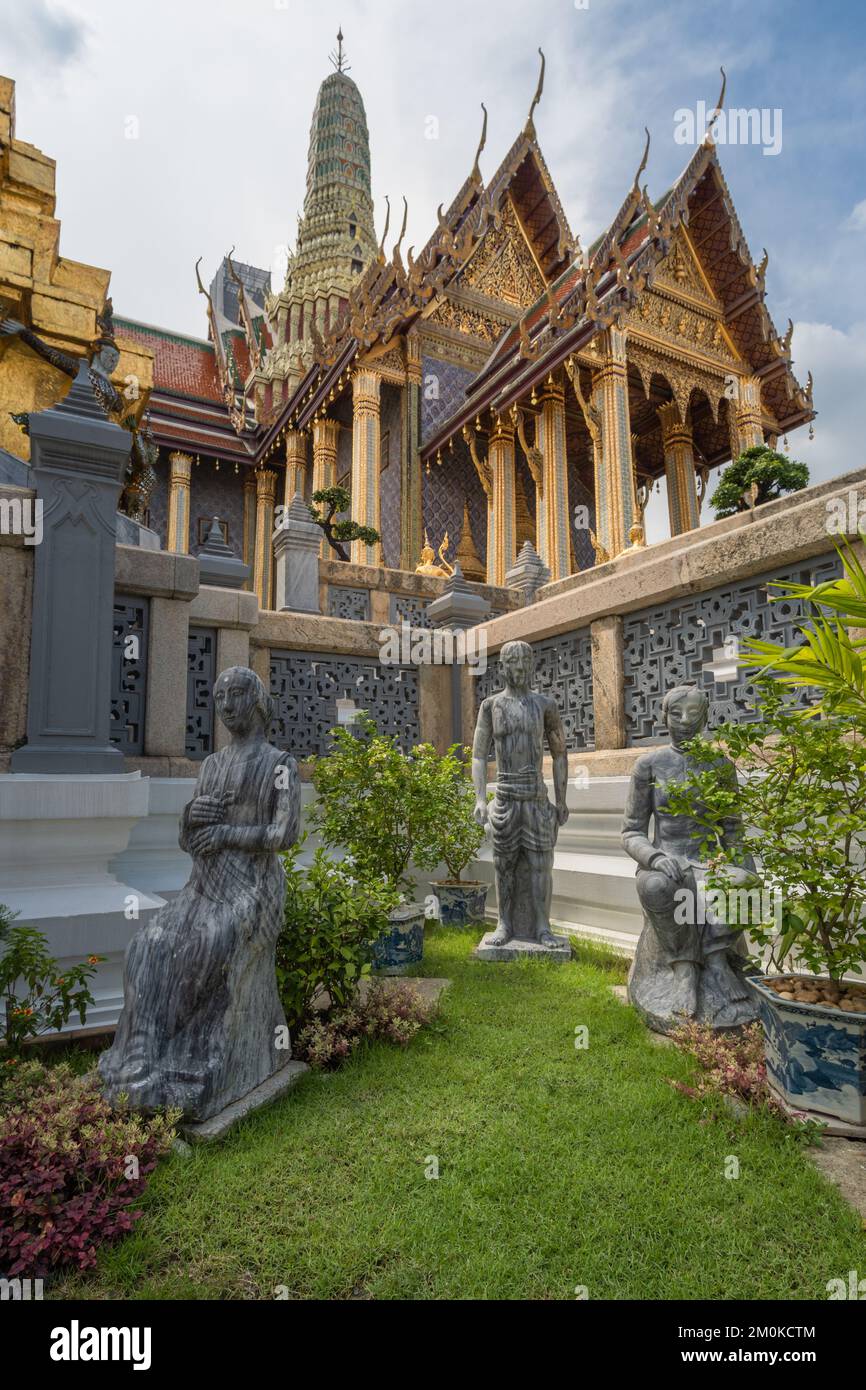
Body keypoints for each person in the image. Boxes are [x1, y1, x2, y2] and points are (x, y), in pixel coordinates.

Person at [99, 666, 300, 1119]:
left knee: (205, 946)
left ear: (257, 700)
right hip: (203, 885)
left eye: (236, 694)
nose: (227, 705)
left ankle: (192, 1061)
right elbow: (189, 842)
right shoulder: (211, 765)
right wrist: (192, 817)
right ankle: (142, 1055)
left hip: (252, 888)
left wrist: (227, 833)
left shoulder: (279, 764)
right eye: (220, 696)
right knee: (148, 945)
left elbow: (284, 833)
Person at [622, 684, 758, 1030]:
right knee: (655, 886)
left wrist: (750, 873)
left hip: (710, 863)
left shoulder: (720, 766)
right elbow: (631, 832)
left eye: (694, 713)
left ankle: (715, 958)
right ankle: (684, 969)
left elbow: (732, 829)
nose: (685, 721)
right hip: (667, 860)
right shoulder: (649, 765)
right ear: (663, 716)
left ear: (706, 717)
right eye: (676, 713)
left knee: (749, 888)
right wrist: (653, 857)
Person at [472, 640, 569, 947]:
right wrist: (478, 799)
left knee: (542, 863)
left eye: (526, 663)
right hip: (505, 797)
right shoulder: (491, 706)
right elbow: (477, 755)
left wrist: (563, 799)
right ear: (503, 668)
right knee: (504, 863)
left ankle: (542, 927)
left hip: (536, 797)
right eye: (514, 663)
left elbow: (560, 753)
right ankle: (504, 923)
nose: (521, 669)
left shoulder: (544, 705)